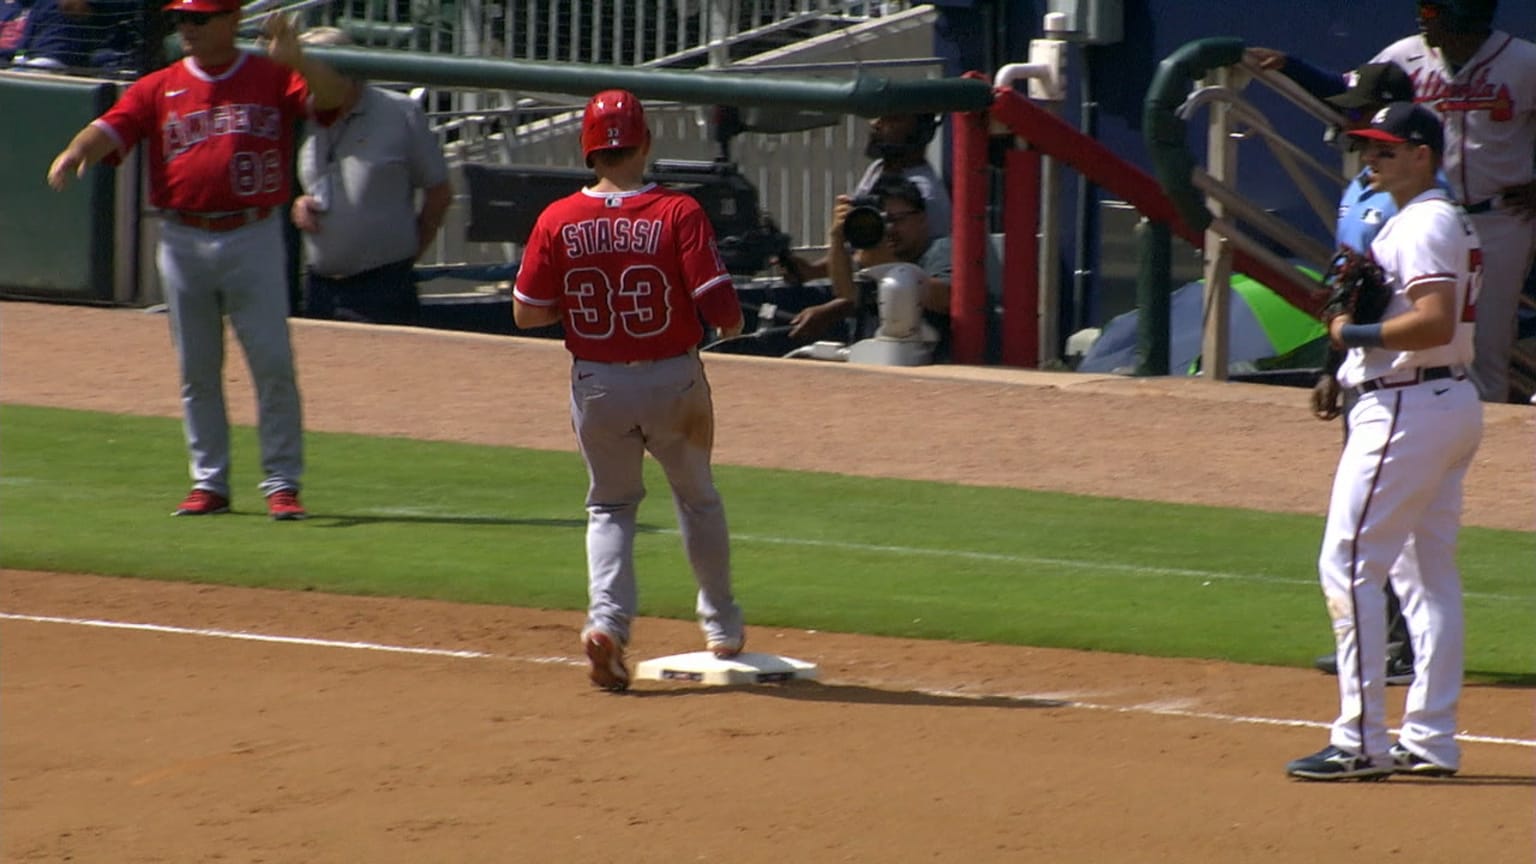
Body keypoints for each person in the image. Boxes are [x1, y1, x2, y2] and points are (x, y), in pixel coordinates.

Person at [45, 0, 346, 520]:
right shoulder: (159, 85)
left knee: (272, 363)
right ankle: (209, 483)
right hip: (183, 236)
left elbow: (334, 98)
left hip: (254, 231)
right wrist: (76, 151)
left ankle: (282, 483)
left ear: (232, 21)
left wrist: (298, 60)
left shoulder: (270, 74)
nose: (187, 28)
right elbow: (113, 126)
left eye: (200, 18)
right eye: (183, 18)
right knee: (197, 370)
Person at [511, 90, 747, 692]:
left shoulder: (557, 219)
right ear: (645, 142)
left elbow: (527, 313)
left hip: (597, 384)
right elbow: (722, 310)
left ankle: (607, 624)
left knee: (611, 506)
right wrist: (729, 326)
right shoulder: (678, 212)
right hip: (672, 378)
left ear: (587, 148)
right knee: (697, 498)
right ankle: (720, 627)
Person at [1285, 102, 1482, 781]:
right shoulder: (1432, 219)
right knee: (1426, 578)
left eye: (1386, 150)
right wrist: (1344, 365)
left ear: (1423, 154)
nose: (1371, 160)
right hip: (1441, 402)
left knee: (1349, 564)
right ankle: (1429, 739)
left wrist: (1351, 337)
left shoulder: (1425, 222)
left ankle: (1361, 743)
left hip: (1407, 406)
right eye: (1367, 149)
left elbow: (1432, 320)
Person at [1251, 0, 1536, 403]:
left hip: (1497, 219)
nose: (1423, 18)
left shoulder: (1524, 61)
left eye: (1434, 11)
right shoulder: (1405, 55)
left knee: (1486, 339)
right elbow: (1351, 91)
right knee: (1412, 325)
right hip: (1415, 216)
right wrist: (1289, 65)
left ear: (1462, 17)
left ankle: (1482, 432)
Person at [1299, 62, 1424, 687]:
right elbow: (1344, 283)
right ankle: (1386, 639)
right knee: (1370, 519)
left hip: (1403, 377)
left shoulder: (1419, 204)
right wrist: (1332, 366)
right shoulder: (1360, 188)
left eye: (1360, 110)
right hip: (1362, 371)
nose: (1347, 119)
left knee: (1386, 523)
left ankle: (1399, 647)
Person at [290, 27, 452, 326]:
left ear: (346, 73)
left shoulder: (400, 112)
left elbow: (439, 192)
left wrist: (407, 256)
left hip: (383, 289)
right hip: (319, 288)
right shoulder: (303, 113)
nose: (306, 83)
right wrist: (299, 203)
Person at [787, 176, 953, 355]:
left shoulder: (941, 250)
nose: (889, 229)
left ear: (921, 219)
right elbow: (847, 294)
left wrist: (888, 268)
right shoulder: (875, 254)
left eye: (896, 219)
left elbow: (948, 297)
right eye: (882, 221)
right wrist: (837, 237)